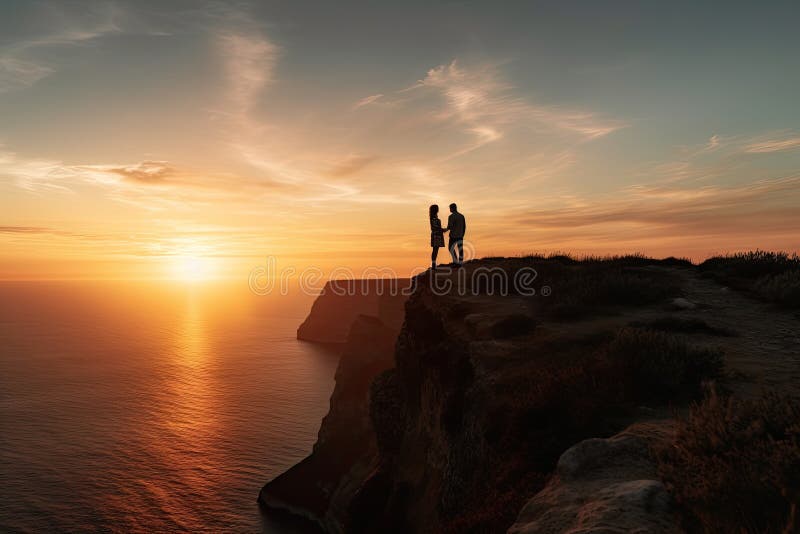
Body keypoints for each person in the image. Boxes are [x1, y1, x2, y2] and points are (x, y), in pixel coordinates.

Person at [429, 204, 445, 270]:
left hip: (436, 234)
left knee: (435, 250)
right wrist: (443, 229)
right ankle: (433, 264)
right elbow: (437, 228)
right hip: (437, 235)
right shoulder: (434, 218)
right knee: (435, 250)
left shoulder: (433, 217)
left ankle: (433, 264)